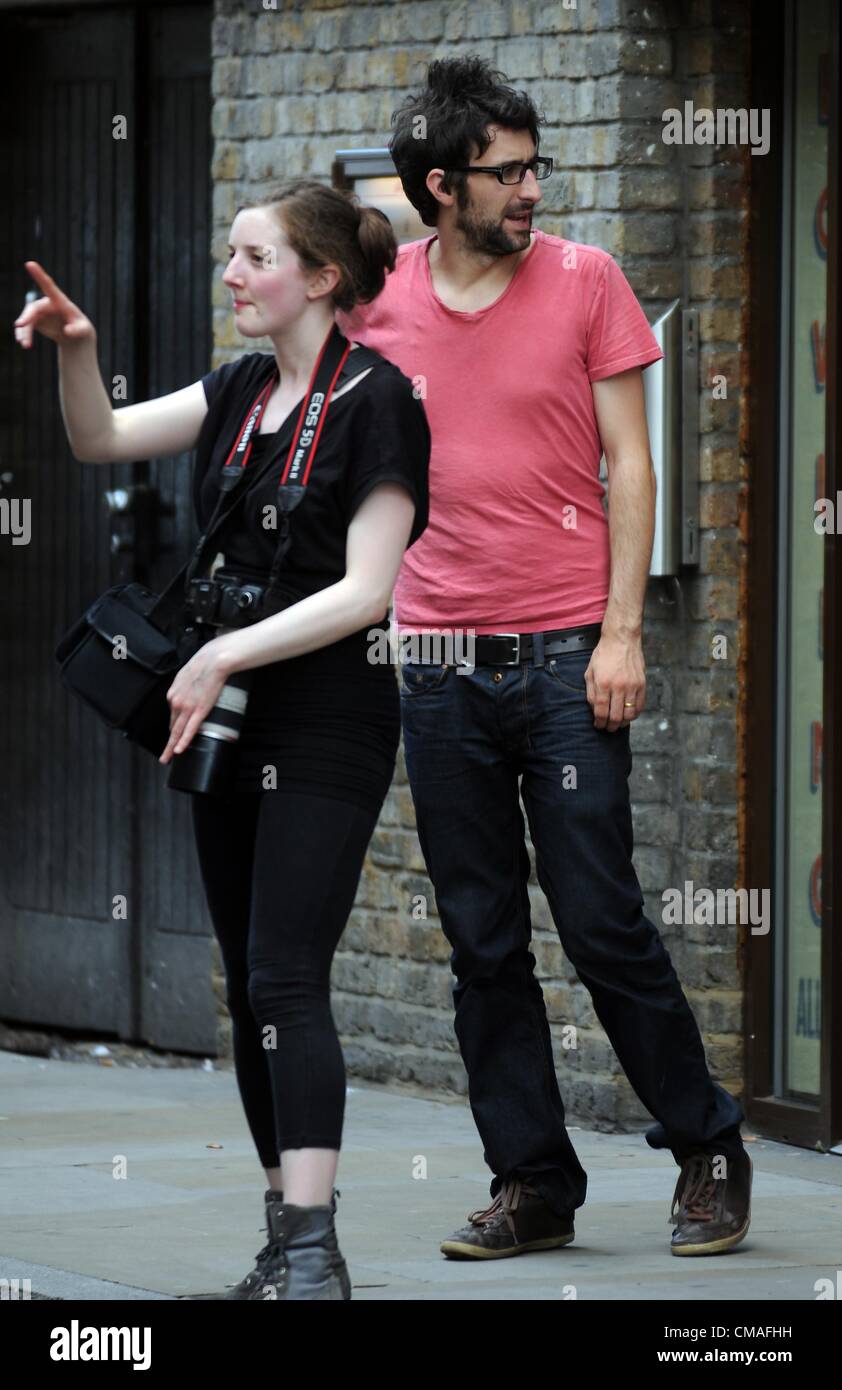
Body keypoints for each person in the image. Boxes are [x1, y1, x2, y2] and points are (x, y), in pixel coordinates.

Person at [336, 55, 752, 1261]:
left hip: (568, 655)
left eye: (533, 166)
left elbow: (633, 465)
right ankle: (532, 1182)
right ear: (435, 185)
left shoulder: (585, 281)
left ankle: (707, 1148)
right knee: (481, 938)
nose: (529, 190)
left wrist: (620, 634)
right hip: (436, 661)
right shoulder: (380, 301)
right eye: (502, 172)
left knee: (600, 916)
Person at [14, 179, 431, 1300]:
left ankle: (313, 1253)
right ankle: (280, 1240)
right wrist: (77, 346)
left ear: (322, 278)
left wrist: (224, 652)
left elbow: (365, 591)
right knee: (250, 986)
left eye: (253, 258)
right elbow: (99, 436)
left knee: (290, 975)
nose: (232, 275)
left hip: (328, 716)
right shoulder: (243, 388)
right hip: (229, 721)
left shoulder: (378, 400)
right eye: (231, 256)